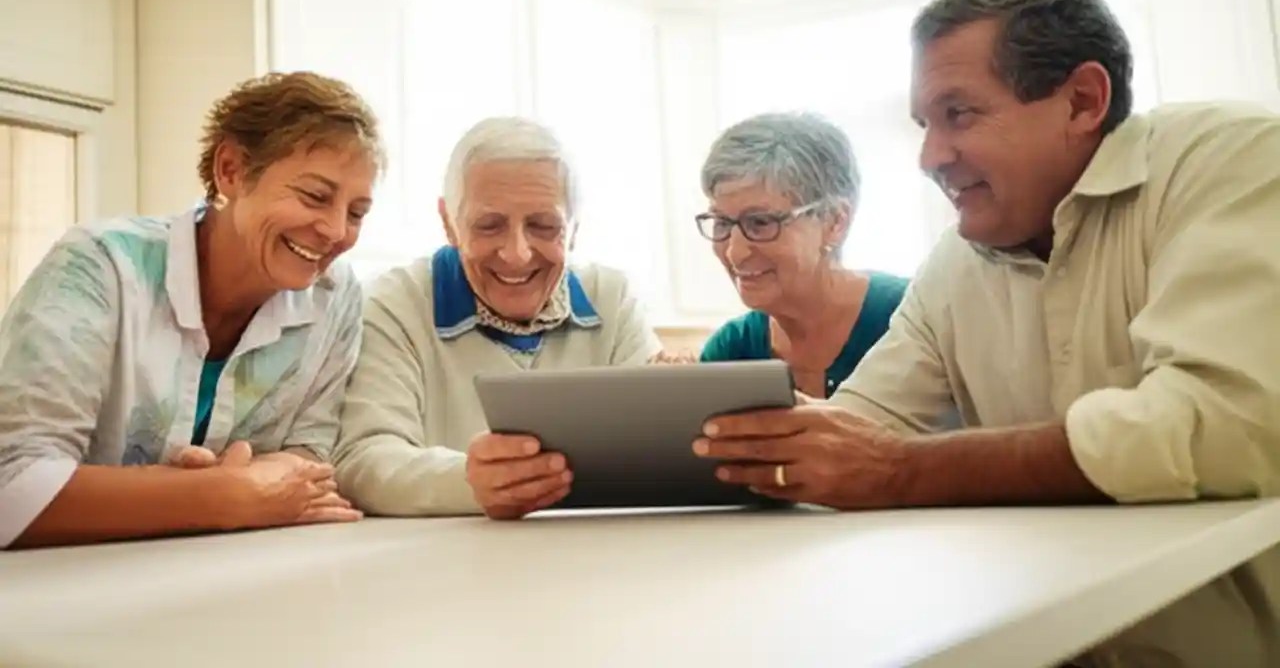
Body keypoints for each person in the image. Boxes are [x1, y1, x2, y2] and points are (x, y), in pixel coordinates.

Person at [692, 0, 1280, 666]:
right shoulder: (956, 264)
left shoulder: (1231, 159)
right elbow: (850, 435)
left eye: (959, 115)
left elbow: (1225, 423)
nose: (929, 157)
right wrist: (577, 464)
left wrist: (900, 471)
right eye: (922, 124)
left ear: (1083, 101)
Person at [0, 71, 383, 549]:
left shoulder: (336, 295)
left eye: (356, 212)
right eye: (314, 196)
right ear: (231, 170)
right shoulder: (100, 266)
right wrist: (217, 496)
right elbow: (14, 484)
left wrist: (229, 488)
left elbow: (310, 459)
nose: (334, 230)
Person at [334, 117, 662, 520]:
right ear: (449, 224)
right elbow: (362, 461)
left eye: (544, 226)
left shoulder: (614, 298)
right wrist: (470, 481)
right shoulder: (393, 304)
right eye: (489, 226)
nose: (517, 253)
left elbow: (652, 453)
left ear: (574, 229)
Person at [695, 113, 909, 398]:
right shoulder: (732, 350)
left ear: (835, 221)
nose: (735, 253)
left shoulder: (910, 317)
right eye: (722, 223)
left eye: (760, 223)